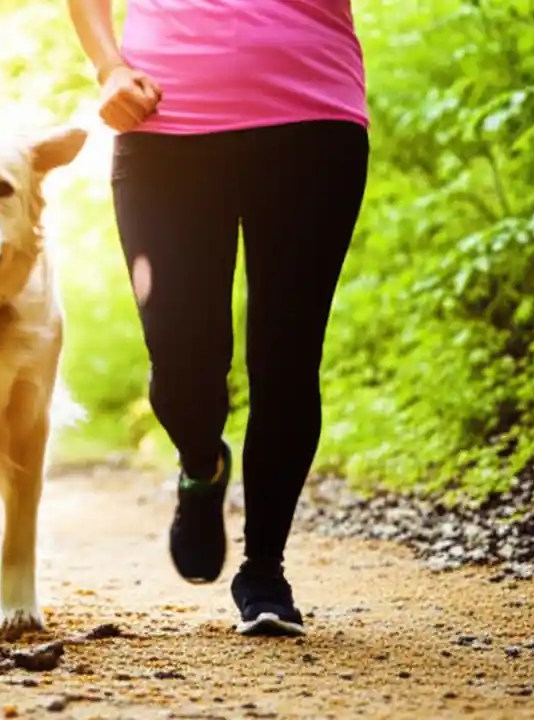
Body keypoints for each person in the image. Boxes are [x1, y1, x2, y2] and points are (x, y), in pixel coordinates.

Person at [66, 0, 370, 636]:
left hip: (312, 117)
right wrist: (108, 66)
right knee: (180, 358)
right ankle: (200, 463)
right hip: (165, 124)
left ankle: (265, 570)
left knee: (286, 356)